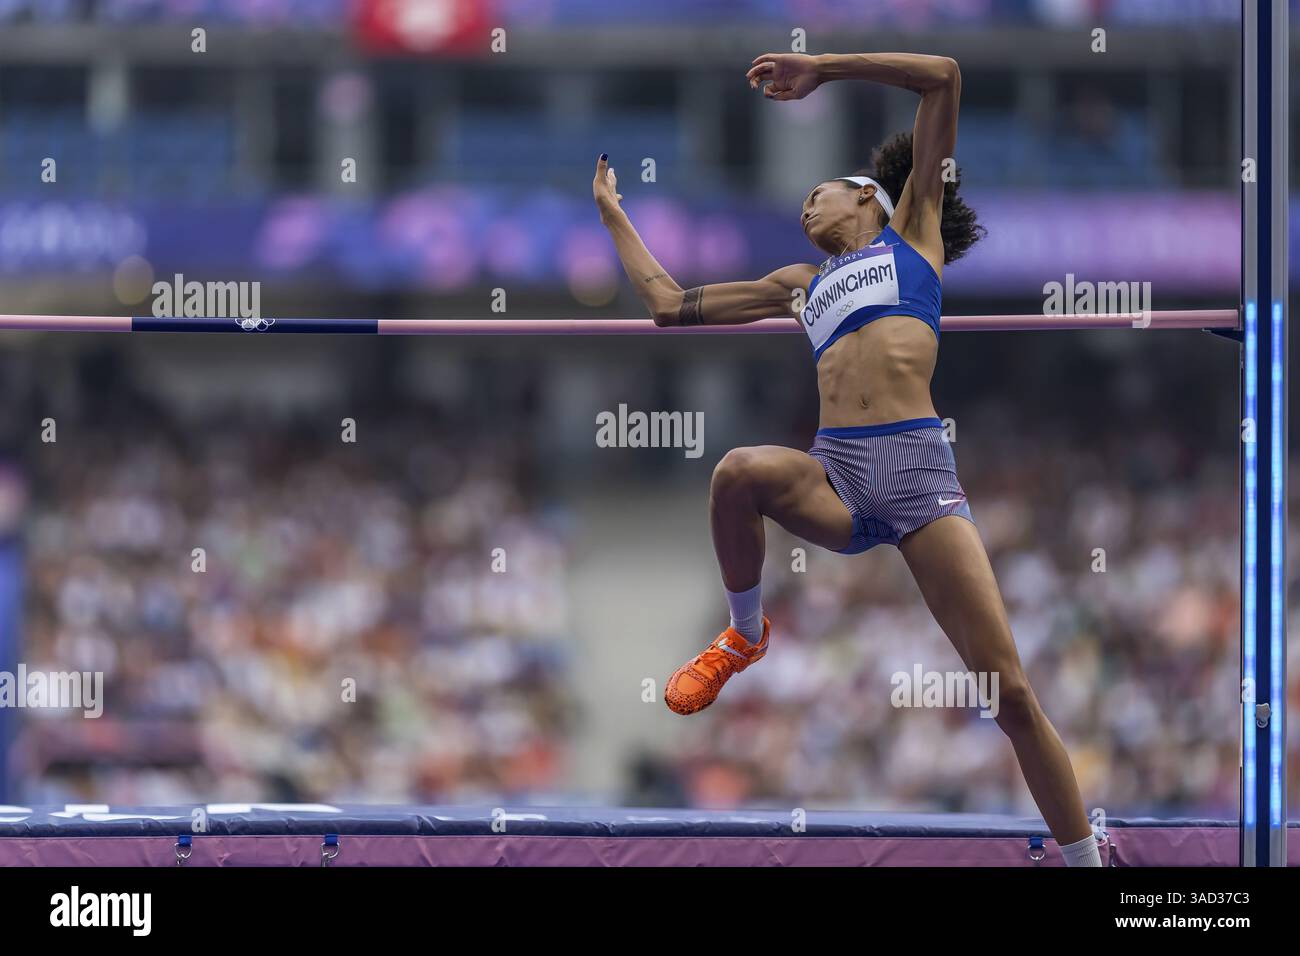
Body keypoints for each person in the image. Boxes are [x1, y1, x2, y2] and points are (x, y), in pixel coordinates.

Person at [592, 51, 1101, 867]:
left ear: (867, 195)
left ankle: (1085, 861)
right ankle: (744, 635)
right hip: (836, 474)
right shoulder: (801, 281)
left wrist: (823, 70)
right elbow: (667, 306)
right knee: (736, 473)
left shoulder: (915, 227)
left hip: (917, 474)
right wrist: (613, 214)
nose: (804, 206)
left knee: (1007, 693)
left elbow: (943, 74)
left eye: (816, 193)